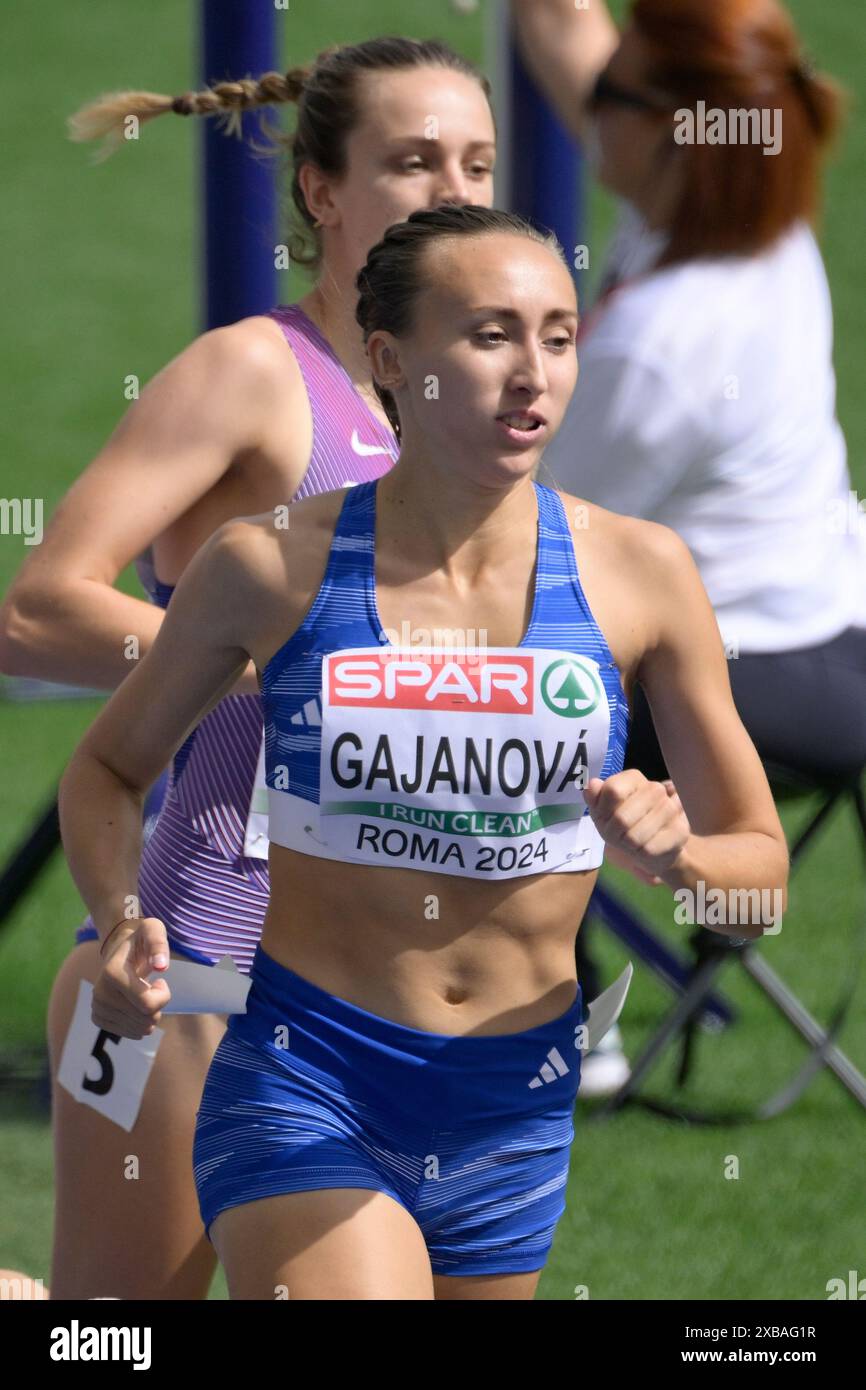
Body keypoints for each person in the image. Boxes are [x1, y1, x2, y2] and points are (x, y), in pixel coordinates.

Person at [58, 204, 789, 1300]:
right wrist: (122, 925)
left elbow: (761, 875)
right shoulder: (268, 566)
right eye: (490, 335)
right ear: (392, 360)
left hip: (512, 1101)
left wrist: (680, 856)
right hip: (305, 1076)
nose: (532, 372)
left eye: (557, 336)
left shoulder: (643, 573)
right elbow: (108, 770)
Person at [0, 37, 497, 1300]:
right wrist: (232, 662)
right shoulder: (251, 375)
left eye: (477, 163)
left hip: (392, 999)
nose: (453, 190)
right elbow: (37, 606)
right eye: (412, 161)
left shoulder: (478, 416)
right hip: (186, 970)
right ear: (322, 191)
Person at [512, 0, 866, 1084]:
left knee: (489, 678)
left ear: (673, 132)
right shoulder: (757, 222)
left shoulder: (661, 343)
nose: (589, 108)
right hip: (839, 636)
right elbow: (576, 45)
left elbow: (536, 546)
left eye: (612, 97)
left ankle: (566, 1018)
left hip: (760, 680)